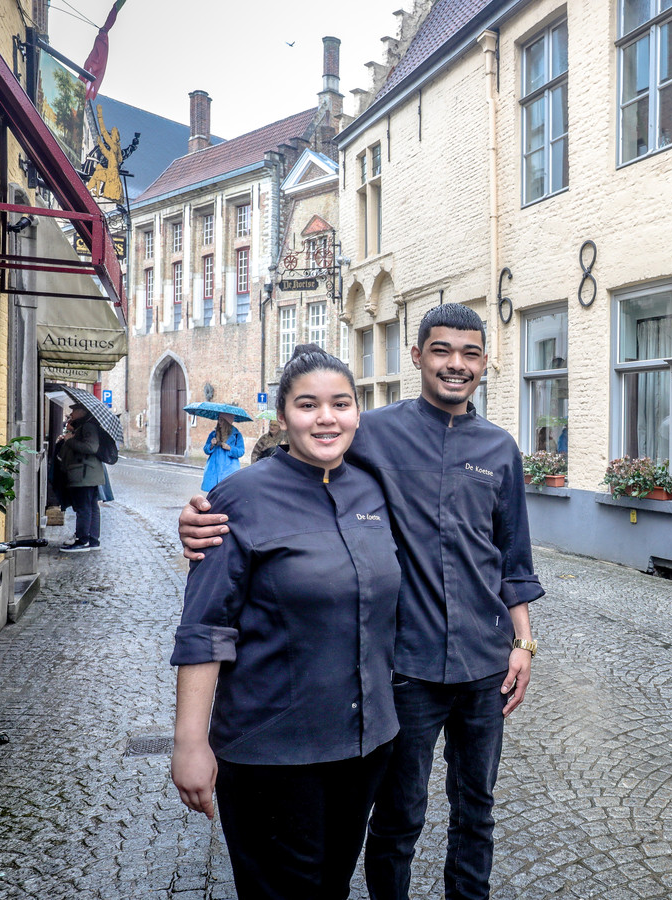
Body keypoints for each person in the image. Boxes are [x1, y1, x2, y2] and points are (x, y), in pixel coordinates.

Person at [181, 304, 542, 900]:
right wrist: (207, 512)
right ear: (417, 356)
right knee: (399, 815)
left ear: (485, 362)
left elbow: (512, 556)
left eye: (470, 353)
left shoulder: (500, 448)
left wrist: (523, 641)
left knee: (476, 807)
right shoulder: (371, 429)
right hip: (408, 667)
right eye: (442, 351)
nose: (456, 365)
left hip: (485, 659)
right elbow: (298, 468)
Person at [171, 346, 402, 900]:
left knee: (331, 889)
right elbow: (206, 629)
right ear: (282, 417)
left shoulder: (375, 489)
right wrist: (189, 742)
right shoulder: (238, 501)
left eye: (341, 404)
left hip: (363, 746)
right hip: (271, 751)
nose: (326, 417)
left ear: (357, 413)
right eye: (308, 404)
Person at [57, 405, 104, 552]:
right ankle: (93, 541)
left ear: (82, 412)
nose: (71, 413)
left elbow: (91, 448)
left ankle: (82, 541)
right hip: (87, 473)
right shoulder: (83, 426)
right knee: (91, 507)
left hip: (84, 474)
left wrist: (70, 440)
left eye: (74, 410)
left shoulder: (88, 426)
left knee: (84, 508)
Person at [202, 413, 244, 491]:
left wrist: (230, 448)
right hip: (214, 469)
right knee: (213, 496)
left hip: (229, 470)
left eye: (222, 420)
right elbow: (205, 449)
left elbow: (241, 451)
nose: (219, 422)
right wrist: (211, 445)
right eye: (219, 420)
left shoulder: (237, 435)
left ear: (227, 422)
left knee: (227, 494)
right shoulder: (213, 434)